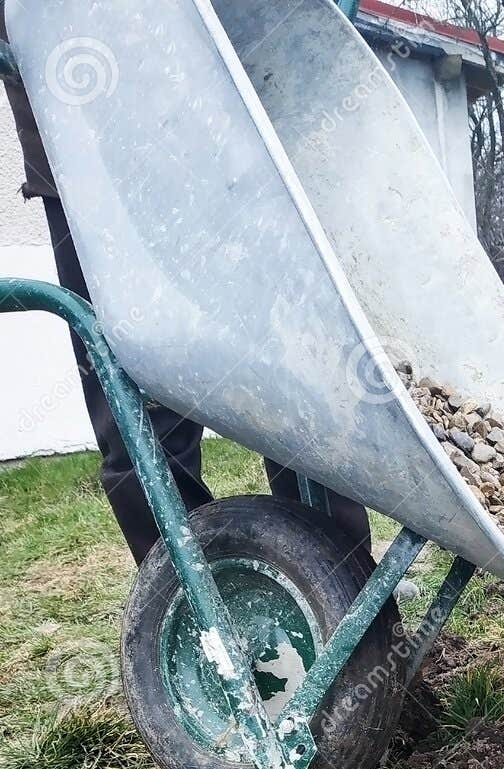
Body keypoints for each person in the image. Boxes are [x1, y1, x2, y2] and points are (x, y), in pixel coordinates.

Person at [0, 4, 373, 564]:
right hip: (80, 156)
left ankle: (342, 581)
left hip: (228, 143)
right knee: (139, 402)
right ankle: (197, 605)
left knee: (294, 373)